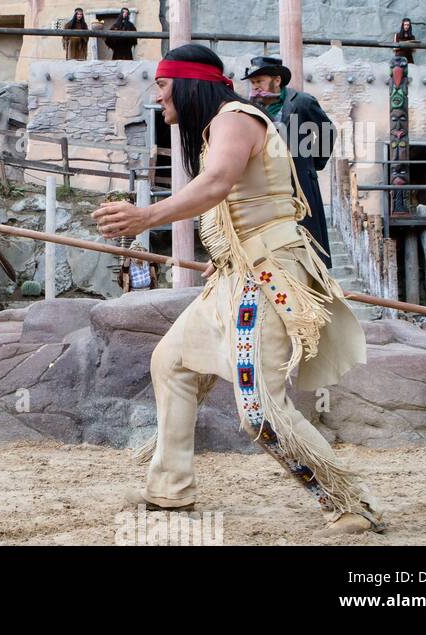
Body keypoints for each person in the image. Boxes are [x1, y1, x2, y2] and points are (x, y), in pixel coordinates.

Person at [92, 44, 383, 534]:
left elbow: (218, 184)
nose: (158, 97)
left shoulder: (235, 116)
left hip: (265, 277)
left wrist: (147, 216)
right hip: (236, 272)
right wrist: (222, 254)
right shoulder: (218, 126)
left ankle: (351, 502)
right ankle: (169, 489)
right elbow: (232, 203)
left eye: (163, 85)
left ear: (187, 83)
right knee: (173, 363)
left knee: (260, 412)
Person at [243, 55, 336, 268]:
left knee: (308, 245)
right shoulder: (249, 109)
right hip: (264, 187)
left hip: (299, 184)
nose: (255, 87)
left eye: (260, 81)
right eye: (253, 83)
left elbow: (327, 131)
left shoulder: (301, 102)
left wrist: (314, 163)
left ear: (277, 81)